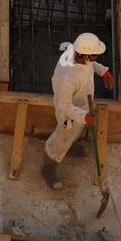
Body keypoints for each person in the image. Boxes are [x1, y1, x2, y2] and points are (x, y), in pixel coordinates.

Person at [42, 31, 114, 190]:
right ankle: (48, 166)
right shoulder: (69, 77)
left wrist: (103, 71)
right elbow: (63, 105)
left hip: (81, 106)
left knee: (73, 133)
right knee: (63, 135)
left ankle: (70, 145)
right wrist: (85, 116)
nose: (96, 57)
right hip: (69, 114)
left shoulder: (77, 53)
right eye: (94, 55)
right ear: (86, 55)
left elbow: (91, 64)